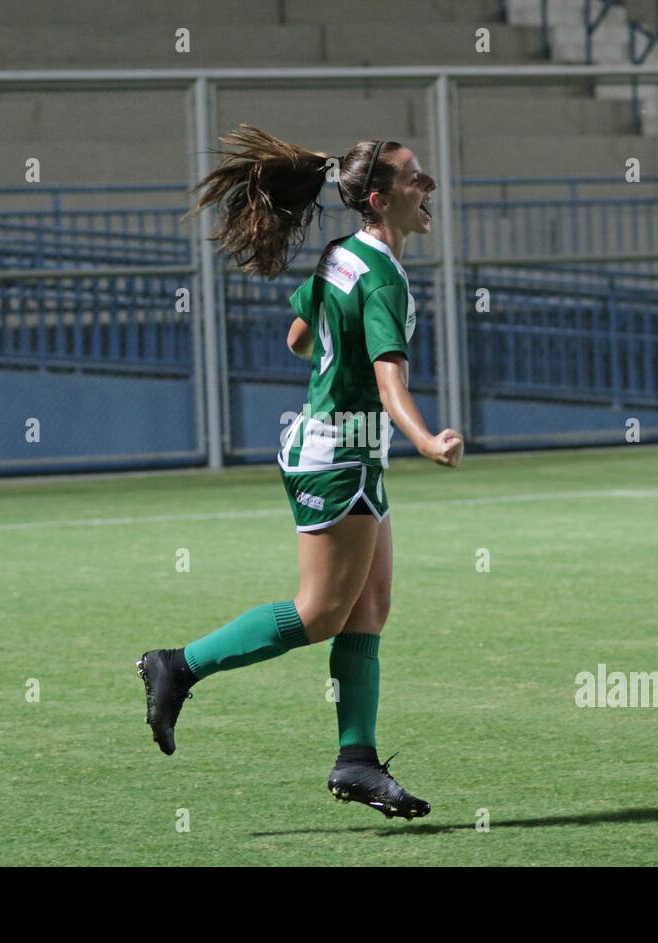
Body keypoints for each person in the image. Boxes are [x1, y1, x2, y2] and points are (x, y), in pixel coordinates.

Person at [137, 124, 463, 819]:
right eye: (415, 179)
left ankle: (357, 762)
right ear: (378, 199)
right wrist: (429, 441)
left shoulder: (343, 254)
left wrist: (336, 365)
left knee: (368, 610)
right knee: (320, 614)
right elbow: (388, 386)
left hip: (350, 449)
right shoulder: (382, 280)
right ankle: (176, 666)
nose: (428, 187)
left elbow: (298, 336)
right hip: (339, 455)